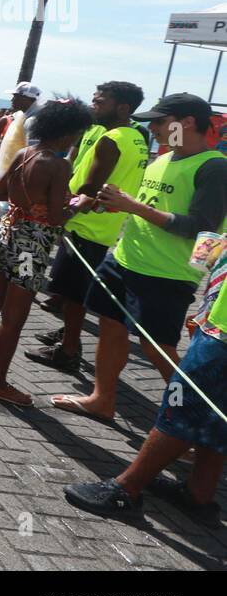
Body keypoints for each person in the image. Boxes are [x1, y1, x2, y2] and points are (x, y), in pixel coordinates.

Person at [50, 94, 227, 422]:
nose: (153, 128)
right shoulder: (164, 159)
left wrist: (134, 206)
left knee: (157, 348)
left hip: (167, 273)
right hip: (125, 259)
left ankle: (188, 424)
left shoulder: (214, 166)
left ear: (186, 122)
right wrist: (120, 205)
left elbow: (201, 227)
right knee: (111, 326)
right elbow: (152, 208)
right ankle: (102, 399)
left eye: (160, 122)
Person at [64, 242, 227, 523]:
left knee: (182, 404)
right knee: (216, 414)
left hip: (222, 334)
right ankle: (198, 494)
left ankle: (125, 490)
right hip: (218, 321)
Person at [0, 99, 95, 406]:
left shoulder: (24, 153)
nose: (76, 141)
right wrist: (80, 205)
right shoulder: (59, 165)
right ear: (65, 133)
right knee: (14, 317)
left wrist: (32, 201)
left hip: (5, 230)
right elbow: (59, 216)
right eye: (76, 135)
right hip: (30, 244)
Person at [27, 82, 148, 372]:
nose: (93, 106)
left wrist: (63, 201)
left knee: (72, 292)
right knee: (75, 289)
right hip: (106, 223)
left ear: (122, 108)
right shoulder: (137, 138)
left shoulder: (111, 139)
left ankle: (68, 351)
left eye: (100, 102)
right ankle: (69, 335)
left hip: (85, 223)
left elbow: (90, 186)